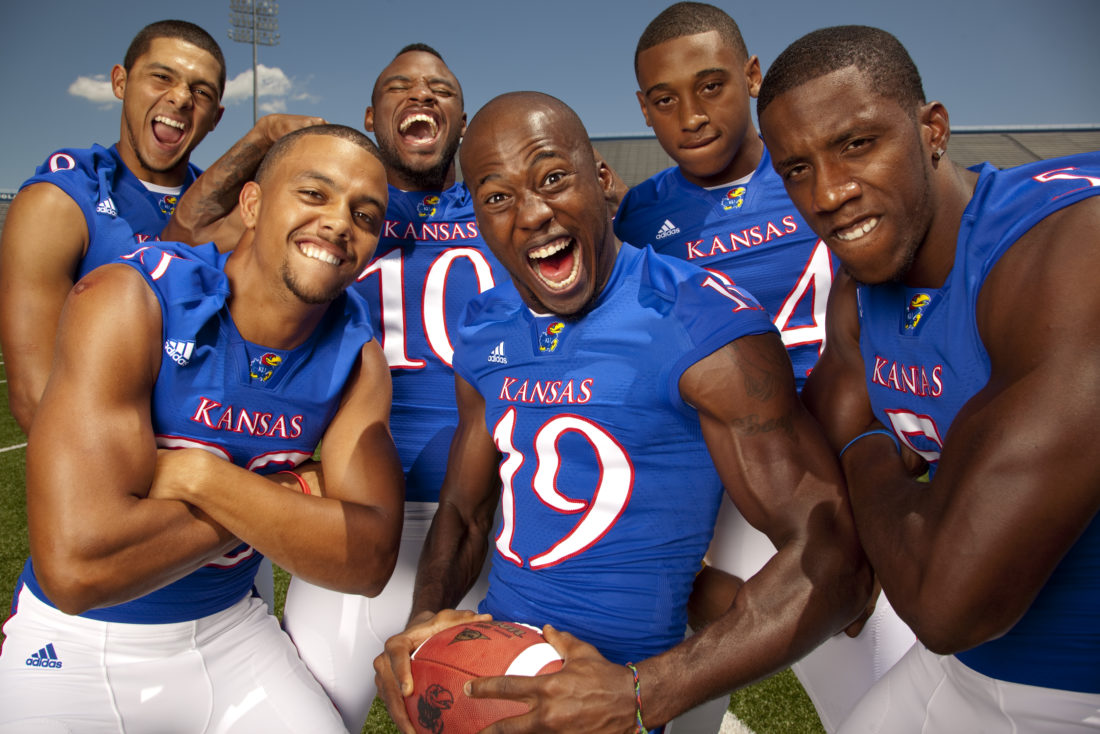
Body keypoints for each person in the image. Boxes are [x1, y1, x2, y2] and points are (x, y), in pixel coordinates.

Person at [374, 90, 872, 734]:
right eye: (497, 197)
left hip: (627, 697)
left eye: (553, 178)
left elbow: (835, 563)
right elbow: (467, 514)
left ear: (599, 178)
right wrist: (424, 627)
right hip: (499, 665)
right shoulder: (482, 325)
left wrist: (640, 694)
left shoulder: (700, 322)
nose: (530, 214)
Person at [0, 124, 405, 732]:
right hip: (79, 643)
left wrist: (198, 476)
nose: (339, 223)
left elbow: (368, 559)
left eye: (365, 214)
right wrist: (293, 493)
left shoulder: (356, 349)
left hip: (231, 632)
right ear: (252, 203)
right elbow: (78, 569)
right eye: (314, 194)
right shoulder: (132, 297)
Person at [756, 25, 1100, 733]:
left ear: (931, 128)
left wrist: (862, 446)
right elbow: (825, 410)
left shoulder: (1064, 251)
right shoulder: (859, 287)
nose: (827, 193)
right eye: (796, 168)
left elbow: (948, 601)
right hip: (968, 672)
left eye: (857, 144)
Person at [616, 5, 913, 730]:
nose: (691, 116)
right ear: (643, 109)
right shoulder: (638, 217)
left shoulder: (825, 171)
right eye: (665, 99)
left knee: (874, 684)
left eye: (712, 85)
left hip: (830, 462)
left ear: (751, 76)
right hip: (710, 475)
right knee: (678, 695)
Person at [0, 19, 323, 436]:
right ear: (120, 82)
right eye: (161, 77)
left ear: (216, 118)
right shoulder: (59, 200)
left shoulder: (232, 208)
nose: (180, 98)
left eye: (201, 91)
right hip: (108, 469)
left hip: (211, 456)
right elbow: (34, 399)